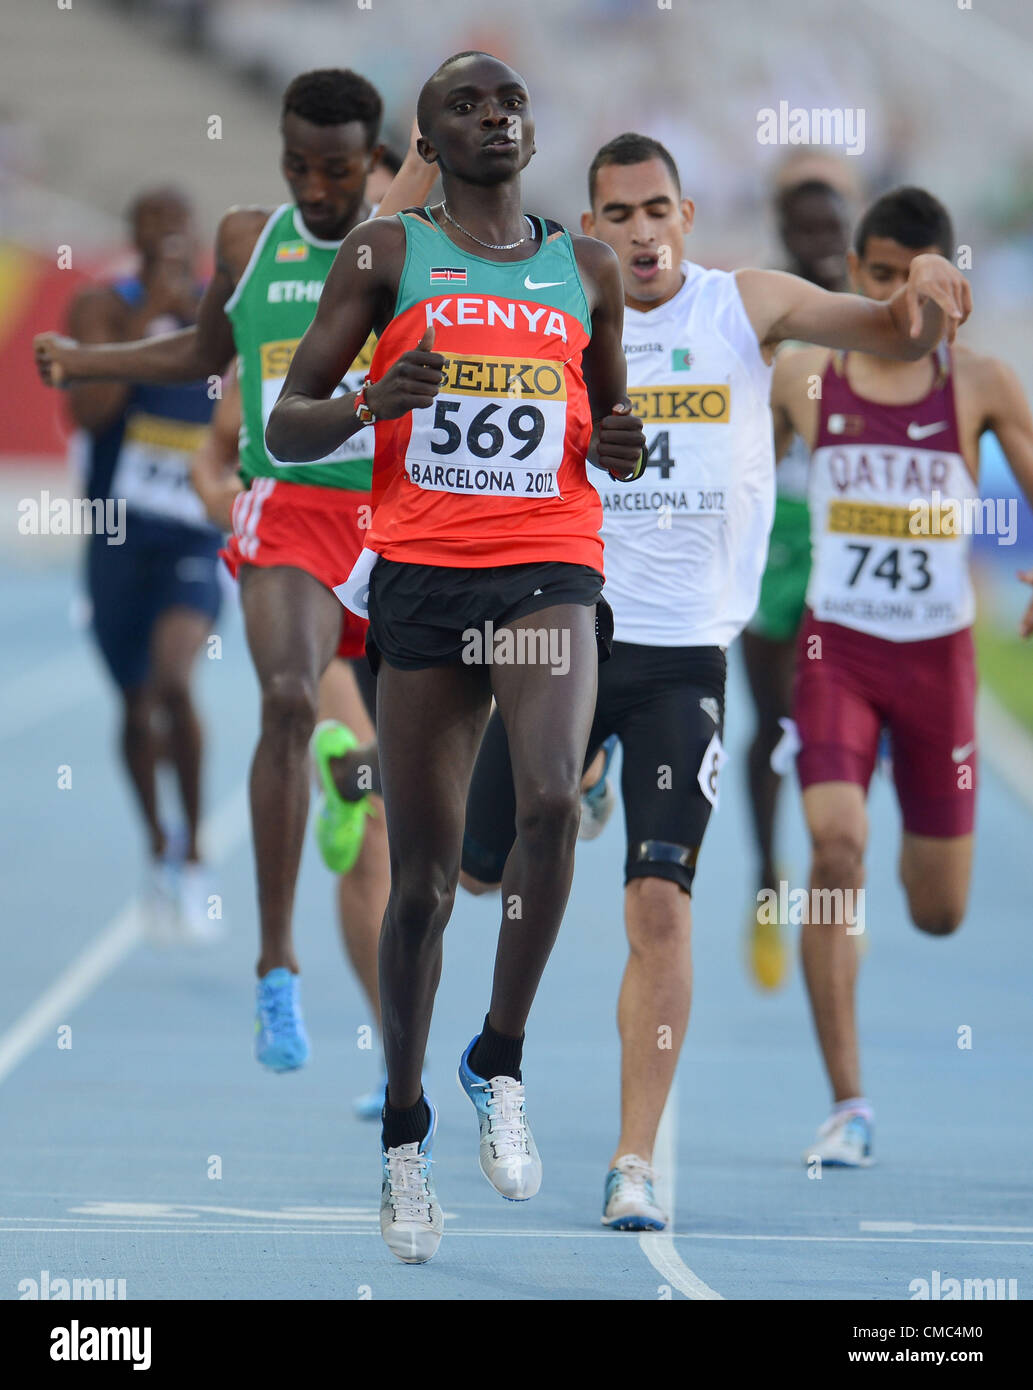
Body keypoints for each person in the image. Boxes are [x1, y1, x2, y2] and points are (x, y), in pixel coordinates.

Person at [459, 136, 971, 1232]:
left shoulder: (745, 304)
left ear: (686, 215)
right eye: (617, 215)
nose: (641, 233)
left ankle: (630, 1160)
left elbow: (887, 330)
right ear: (590, 226)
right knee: (473, 869)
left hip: (680, 654)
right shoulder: (553, 312)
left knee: (659, 904)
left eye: (658, 211)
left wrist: (923, 287)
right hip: (562, 627)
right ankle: (577, 776)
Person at [265, 51, 646, 1264]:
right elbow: (286, 421)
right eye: (467, 107)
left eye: (511, 103)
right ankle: (403, 1134)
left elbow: (610, 429)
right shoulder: (384, 254)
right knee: (422, 886)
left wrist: (627, 448)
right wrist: (376, 404)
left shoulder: (584, 270)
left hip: (548, 563)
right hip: (424, 578)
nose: (496, 117)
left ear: (532, 131)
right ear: (429, 138)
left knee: (546, 800)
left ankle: (501, 1055)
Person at [35, 70, 434, 1073]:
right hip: (288, 511)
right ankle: (276, 966)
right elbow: (208, 350)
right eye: (297, 165)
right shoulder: (248, 241)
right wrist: (90, 362)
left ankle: (382, 789)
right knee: (288, 697)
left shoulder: (402, 243)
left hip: (395, 519)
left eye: (338, 169)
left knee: (452, 829)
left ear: (372, 159)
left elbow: (437, 170)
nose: (315, 186)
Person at [770, 186, 1033, 1167]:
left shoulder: (980, 385)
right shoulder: (803, 377)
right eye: (876, 277)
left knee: (936, 910)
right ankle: (848, 1100)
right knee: (835, 848)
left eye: (913, 279)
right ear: (855, 276)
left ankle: (858, 917)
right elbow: (721, 470)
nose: (896, 301)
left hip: (936, 665)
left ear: (951, 289)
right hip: (835, 650)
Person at [189, 363, 392, 1116]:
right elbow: (213, 447)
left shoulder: (447, 288)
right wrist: (217, 494)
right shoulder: (283, 291)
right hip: (309, 556)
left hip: (420, 551)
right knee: (371, 847)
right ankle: (397, 1058)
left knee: (473, 857)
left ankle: (365, 773)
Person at [65, 186, 222, 942]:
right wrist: (141, 319)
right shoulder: (100, 311)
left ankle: (195, 849)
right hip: (116, 535)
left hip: (191, 536)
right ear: (132, 238)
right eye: (151, 231)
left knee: (174, 678)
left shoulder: (220, 315)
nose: (166, 243)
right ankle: (156, 840)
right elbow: (90, 413)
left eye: (177, 232)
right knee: (133, 704)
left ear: (195, 242)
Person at [741, 178, 851, 990]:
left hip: (842, 531)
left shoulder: (874, 318)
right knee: (774, 719)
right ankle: (765, 882)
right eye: (804, 226)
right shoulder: (764, 314)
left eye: (831, 226)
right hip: (773, 532)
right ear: (782, 228)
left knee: (839, 718)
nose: (818, 237)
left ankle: (833, 882)